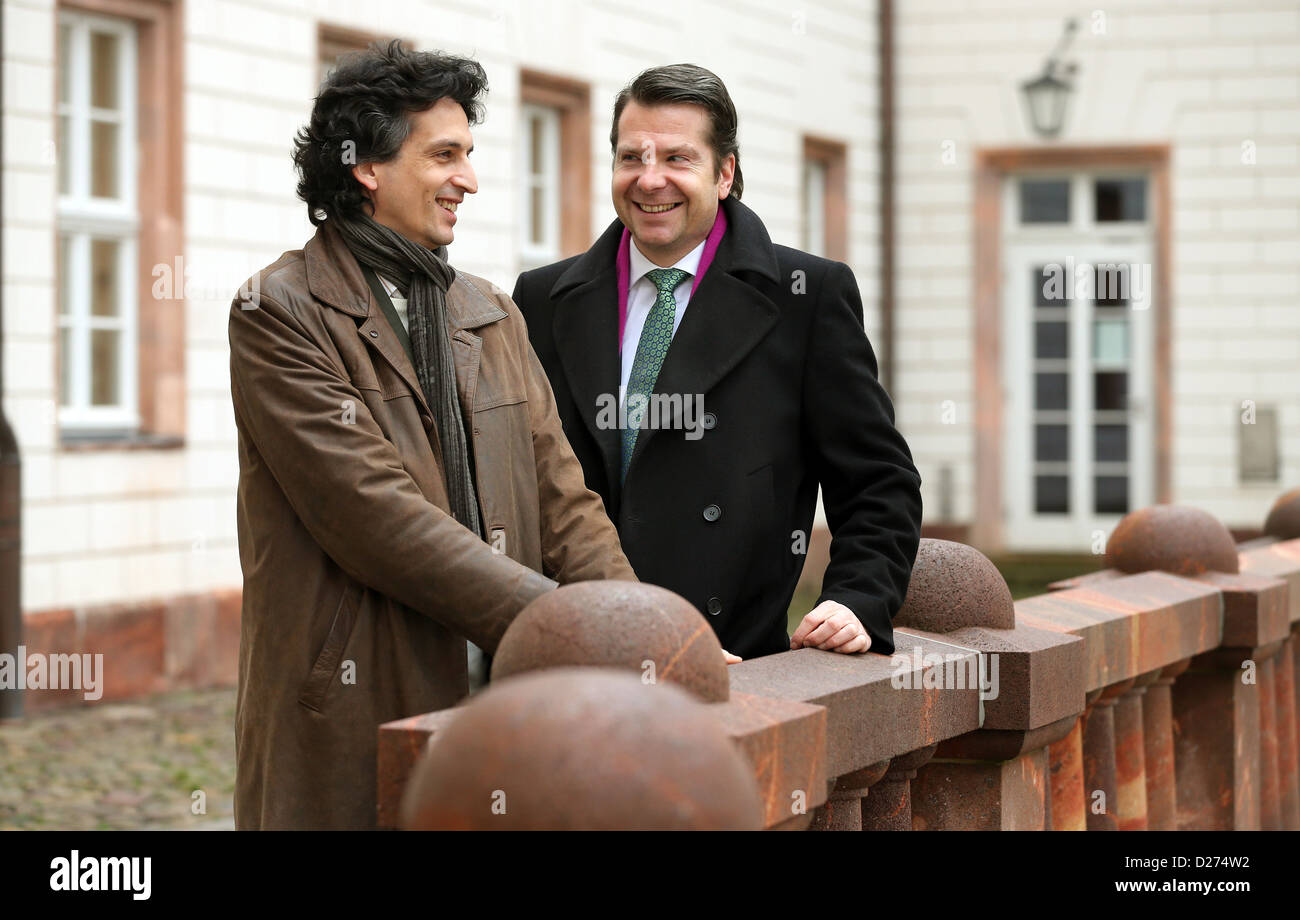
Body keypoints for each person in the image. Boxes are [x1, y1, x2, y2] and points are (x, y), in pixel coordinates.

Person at [228, 42, 634, 830]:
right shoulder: (277, 311)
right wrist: (560, 624)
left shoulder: (489, 310)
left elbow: (563, 498)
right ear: (366, 168)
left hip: (507, 704)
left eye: (469, 155)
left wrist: (637, 624)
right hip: (357, 704)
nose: (469, 180)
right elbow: (373, 514)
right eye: (444, 155)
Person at [513, 64, 922, 662]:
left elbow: (877, 480)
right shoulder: (542, 299)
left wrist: (859, 597)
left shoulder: (806, 296)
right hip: (576, 657)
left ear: (724, 172)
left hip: (734, 668)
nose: (650, 180)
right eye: (632, 158)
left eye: (677, 159)